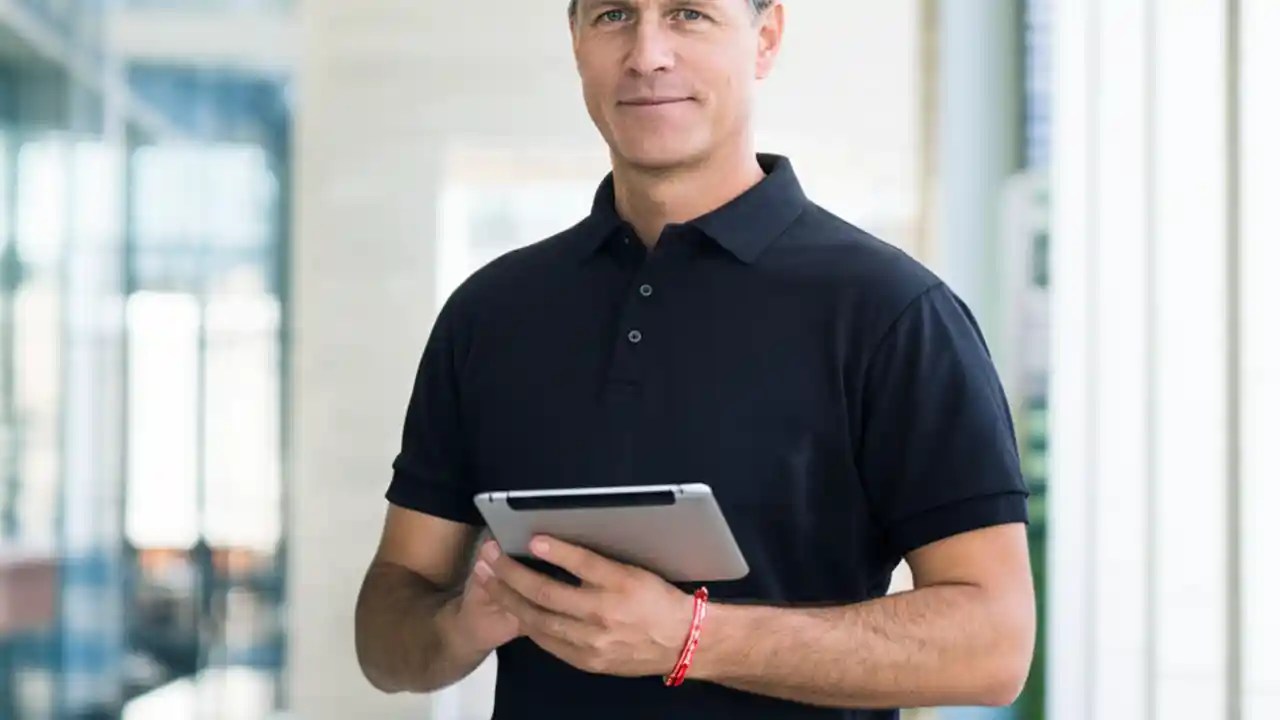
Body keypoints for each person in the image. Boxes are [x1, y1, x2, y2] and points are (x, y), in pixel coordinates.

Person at [354, 1, 1036, 718]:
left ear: (765, 39)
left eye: (688, 14)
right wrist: (462, 623)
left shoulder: (894, 313)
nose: (647, 54)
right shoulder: (488, 314)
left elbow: (993, 645)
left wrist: (691, 638)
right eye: (615, 15)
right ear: (577, 41)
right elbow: (384, 634)